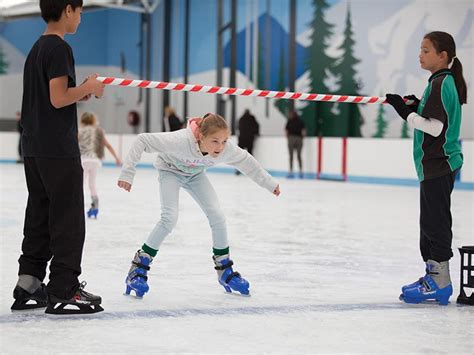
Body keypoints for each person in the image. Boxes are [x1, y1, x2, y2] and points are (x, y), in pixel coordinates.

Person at [117, 113, 280, 298]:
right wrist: (127, 173)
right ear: (201, 137)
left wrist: (270, 184)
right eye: (215, 141)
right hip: (170, 171)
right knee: (169, 218)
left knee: (217, 216)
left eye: (225, 141)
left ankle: (224, 269)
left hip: (195, 175)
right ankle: (138, 268)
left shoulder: (226, 149)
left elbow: (247, 162)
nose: (220, 147)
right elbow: (142, 140)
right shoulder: (180, 140)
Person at [11, 0, 105, 314]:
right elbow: (59, 97)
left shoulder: (37, 50)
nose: (80, 19)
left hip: (35, 146)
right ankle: (64, 286)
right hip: (57, 148)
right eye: (79, 12)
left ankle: (30, 280)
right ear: (68, 10)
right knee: (67, 217)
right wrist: (89, 86)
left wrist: (81, 90)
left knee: (39, 212)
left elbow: (52, 97)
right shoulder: (59, 49)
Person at [386, 31, 466, 305]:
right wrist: (416, 105)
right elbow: (433, 115)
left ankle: (440, 281)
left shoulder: (441, 83)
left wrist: (405, 112)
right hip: (434, 166)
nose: (420, 54)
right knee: (429, 223)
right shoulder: (440, 82)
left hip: (438, 164)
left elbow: (435, 127)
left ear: (443, 56)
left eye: (426, 50)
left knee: (435, 223)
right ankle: (434, 275)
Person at [78, 112, 122, 219]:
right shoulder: (99, 131)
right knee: (92, 184)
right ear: (94, 120)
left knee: (80, 185)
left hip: (83, 160)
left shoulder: (80, 131)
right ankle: (95, 205)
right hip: (95, 161)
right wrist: (116, 158)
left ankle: (77, 206)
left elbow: (73, 145)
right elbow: (108, 146)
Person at [235, 109, 260, 175]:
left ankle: (238, 169)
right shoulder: (252, 118)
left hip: (242, 139)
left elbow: (238, 127)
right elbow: (257, 126)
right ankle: (250, 169)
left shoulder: (241, 118)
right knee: (249, 155)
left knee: (240, 156)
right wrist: (256, 133)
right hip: (249, 139)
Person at [285, 110, 305, 178]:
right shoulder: (301, 121)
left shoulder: (290, 121)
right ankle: (301, 171)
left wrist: (288, 138)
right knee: (299, 156)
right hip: (299, 138)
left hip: (291, 138)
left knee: (291, 156)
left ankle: (291, 171)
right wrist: (302, 138)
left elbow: (286, 130)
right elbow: (303, 131)